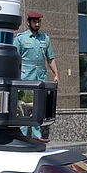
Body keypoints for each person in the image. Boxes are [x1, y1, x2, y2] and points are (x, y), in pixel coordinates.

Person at [14, 12, 58, 140]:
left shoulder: (45, 39)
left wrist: (56, 75)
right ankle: (21, 136)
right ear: (28, 23)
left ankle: (36, 136)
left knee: (37, 109)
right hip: (26, 80)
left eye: (38, 22)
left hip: (40, 80)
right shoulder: (20, 39)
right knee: (24, 109)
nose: (37, 24)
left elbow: (50, 59)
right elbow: (14, 59)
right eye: (34, 22)